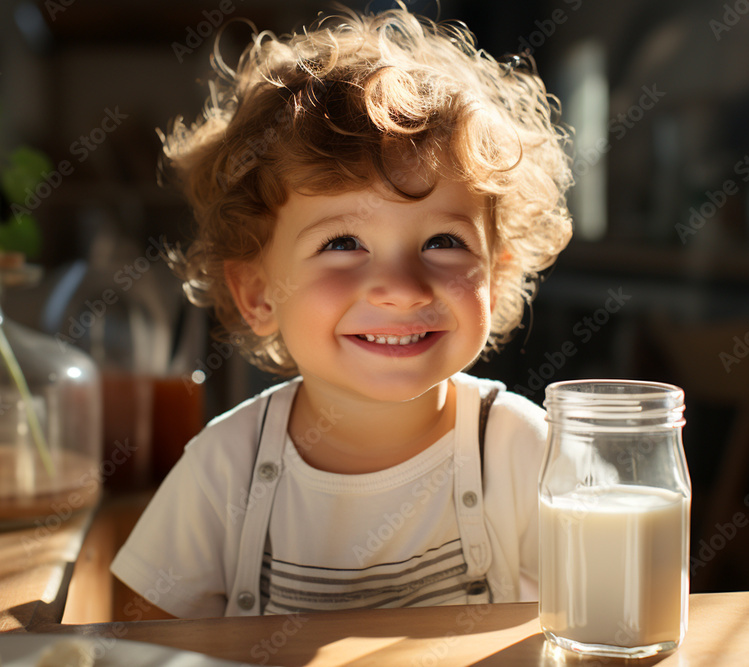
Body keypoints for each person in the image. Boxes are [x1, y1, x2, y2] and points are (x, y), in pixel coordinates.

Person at [111, 4, 573, 618]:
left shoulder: (522, 449)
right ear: (257, 294)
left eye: (443, 242)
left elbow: (603, 624)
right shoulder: (226, 467)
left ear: (498, 271)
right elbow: (143, 634)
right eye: (342, 244)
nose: (402, 288)